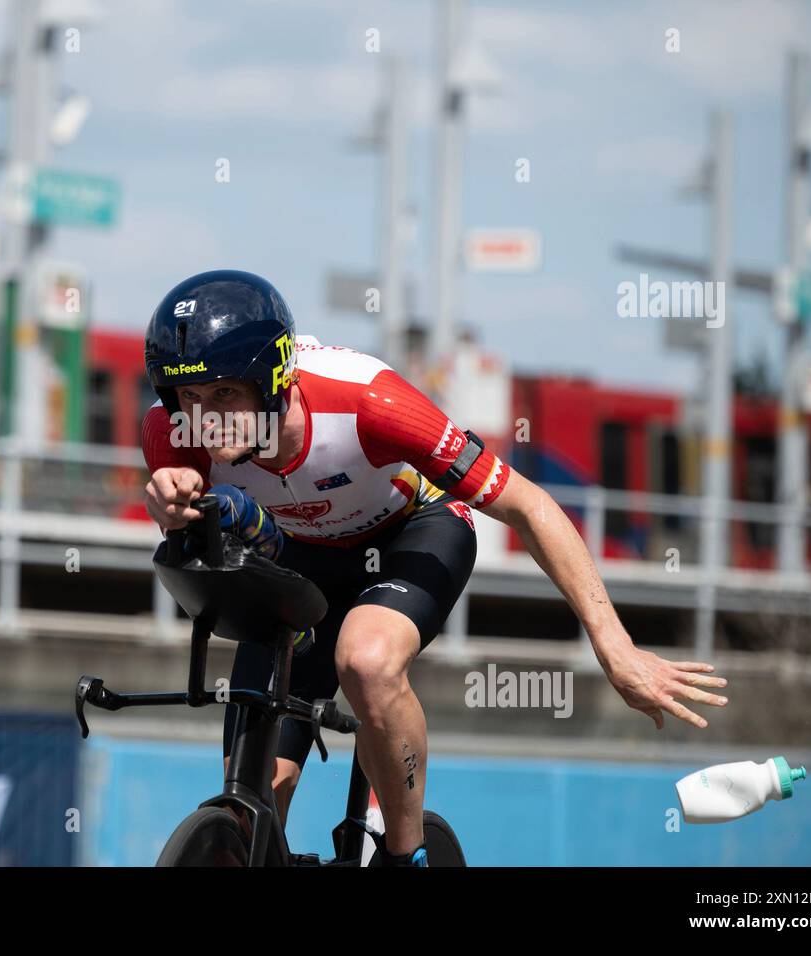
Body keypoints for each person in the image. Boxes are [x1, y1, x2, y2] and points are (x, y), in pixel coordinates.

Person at [140, 269, 729, 866]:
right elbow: (207, 552)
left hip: (413, 532)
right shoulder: (171, 434)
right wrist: (174, 511)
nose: (205, 420)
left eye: (224, 395)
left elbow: (530, 505)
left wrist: (615, 647)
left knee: (365, 660)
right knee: (252, 816)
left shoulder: (370, 401)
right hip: (303, 556)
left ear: (274, 377)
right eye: (188, 397)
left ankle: (404, 853)